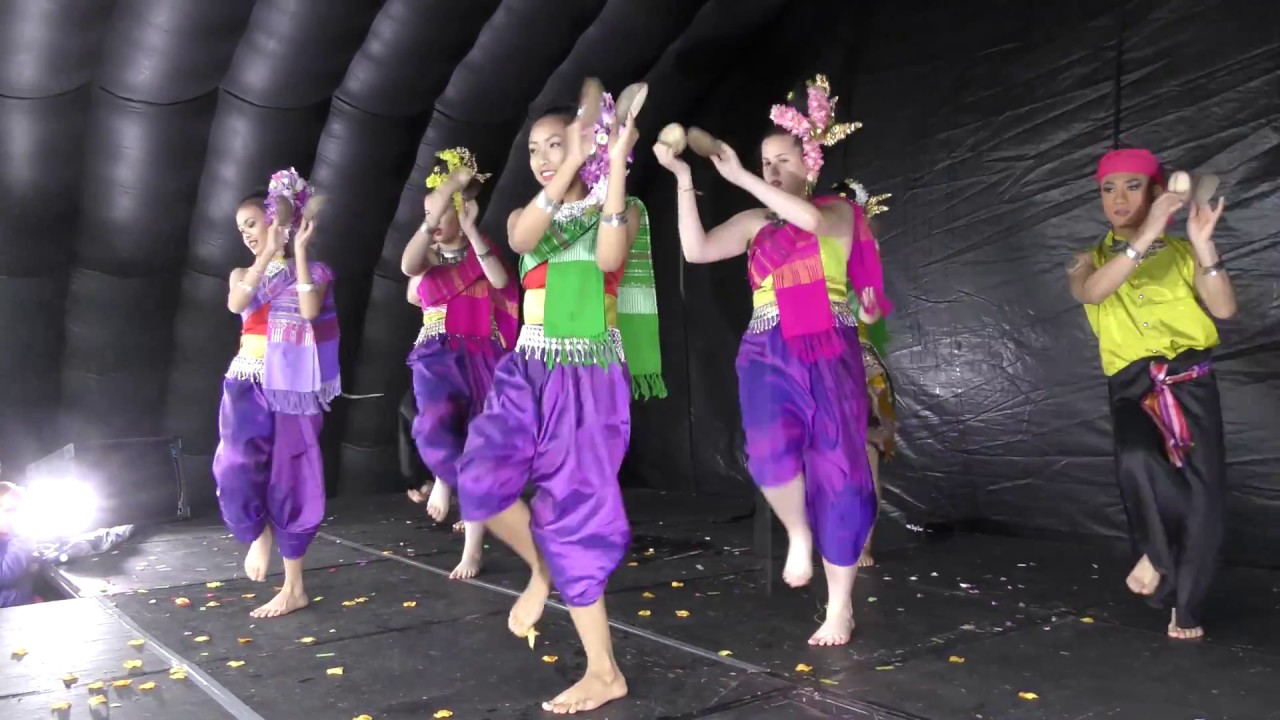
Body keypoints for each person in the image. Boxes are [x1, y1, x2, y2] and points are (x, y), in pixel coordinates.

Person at [654, 74, 889, 646]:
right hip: (766, 351)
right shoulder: (756, 226)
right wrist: (686, 178)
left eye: (783, 160)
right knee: (766, 455)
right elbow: (697, 249)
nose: (772, 170)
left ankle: (839, 608)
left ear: (810, 164)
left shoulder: (838, 214)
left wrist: (736, 176)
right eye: (765, 163)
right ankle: (797, 533)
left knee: (841, 474)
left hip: (829, 351)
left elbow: (808, 223)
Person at [456, 84, 665, 714]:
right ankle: (544, 569)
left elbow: (609, 251)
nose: (545, 157)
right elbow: (519, 241)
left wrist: (616, 162)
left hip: (587, 376)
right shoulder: (533, 212)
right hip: (530, 366)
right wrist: (572, 163)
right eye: (537, 149)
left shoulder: (618, 207)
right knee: (480, 478)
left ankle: (603, 671)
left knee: (572, 512)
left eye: (559, 144)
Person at [1067, 148, 1234, 640]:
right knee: (1137, 459)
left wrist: (1202, 244)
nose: (1118, 198)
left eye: (1133, 186)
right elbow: (1093, 292)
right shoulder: (1085, 258)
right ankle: (1158, 558)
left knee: (1203, 499)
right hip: (1134, 385)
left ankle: (1186, 608)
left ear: (1157, 192)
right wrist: (1146, 235)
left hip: (1191, 381)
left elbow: (1223, 309)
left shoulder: (1182, 255)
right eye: (1108, 188)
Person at [214, 168, 340, 619]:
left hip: (292, 386)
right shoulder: (242, 273)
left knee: (293, 478)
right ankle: (258, 534)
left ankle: (293, 587)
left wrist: (298, 250)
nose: (246, 233)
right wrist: (267, 250)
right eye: (241, 229)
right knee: (234, 469)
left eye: (252, 223)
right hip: (246, 380)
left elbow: (308, 311)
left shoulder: (317, 270)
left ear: (275, 219)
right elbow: (236, 303)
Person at [400, 147, 517, 580]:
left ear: (463, 210)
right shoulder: (427, 256)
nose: (432, 223)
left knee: (478, 445)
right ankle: (447, 479)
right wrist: (433, 215)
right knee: (431, 424)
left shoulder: (478, 252)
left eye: (440, 214)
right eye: (426, 214)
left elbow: (502, 283)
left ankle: (472, 548)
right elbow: (408, 265)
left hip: (482, 354)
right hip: (436, 353)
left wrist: (470, 231)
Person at [0, 481, 38, 609]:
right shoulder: (18, 540)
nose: (15, 516)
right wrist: (22, 540)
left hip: (20, 606)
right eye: (10, 511)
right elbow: (4, 575)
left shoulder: (9, 537)